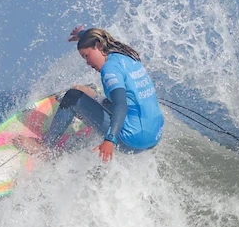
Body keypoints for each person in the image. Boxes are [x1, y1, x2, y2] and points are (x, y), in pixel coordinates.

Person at [40, 26, 165, 162]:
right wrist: (82, 34)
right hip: (154, 136)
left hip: (131, 141)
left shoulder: (109, 69)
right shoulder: (126, 56)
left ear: (98, 46)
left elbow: (121, 105)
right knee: (107, 99)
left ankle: (45, 147)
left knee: (72, 97)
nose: (87, 63)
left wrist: (110, 139)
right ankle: (92, 95)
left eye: (87, 56)